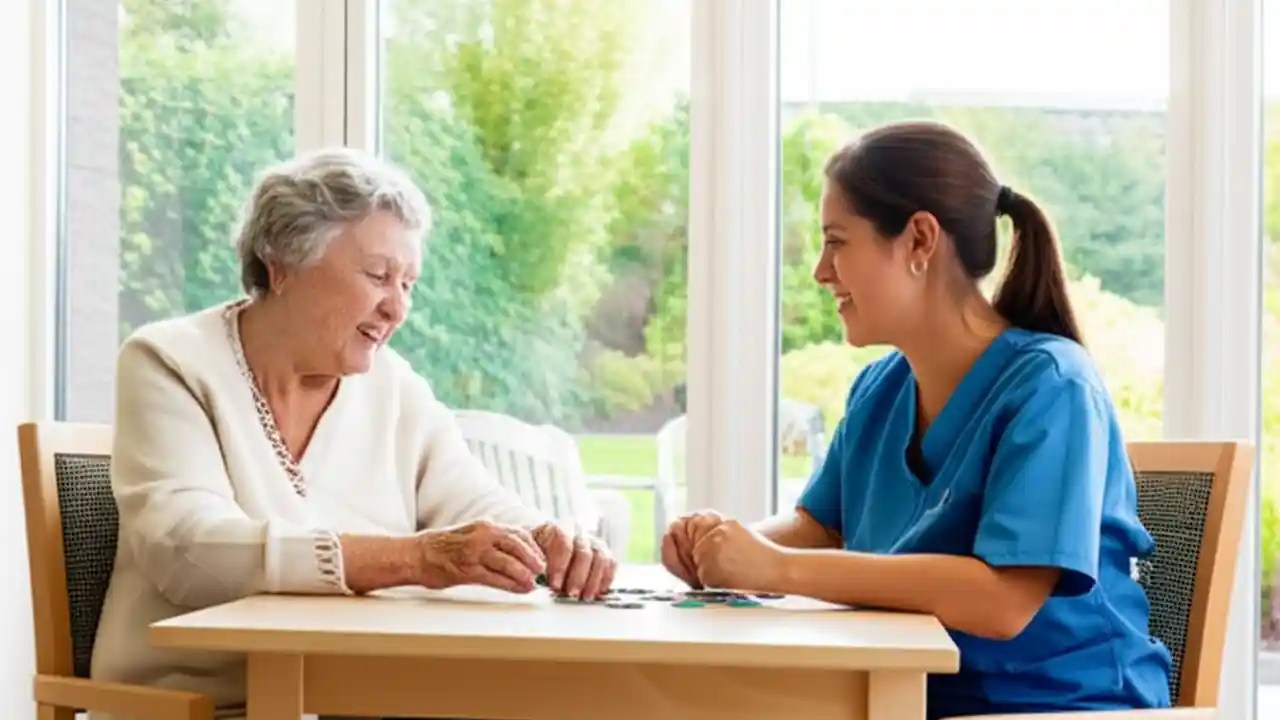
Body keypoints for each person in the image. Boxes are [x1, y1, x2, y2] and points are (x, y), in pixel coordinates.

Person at [661, 120, 1172, 718]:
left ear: (919, 241)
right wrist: (721, 547)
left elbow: (1003, 603)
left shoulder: (1053, 387)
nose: (822, 271)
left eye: (837, 241)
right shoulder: (880, 389)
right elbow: (819, 528)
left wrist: (777, 568)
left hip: (1057, 706)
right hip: (903, 693)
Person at [91, 148, 616, 720]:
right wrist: (414, 559)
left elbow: (467, 499)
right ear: (282, 264)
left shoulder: (393, 386)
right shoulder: (170, 361)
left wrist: (545, 538)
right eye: (378, 276)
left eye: (409, 284)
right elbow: (186, 550)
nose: (397, 307)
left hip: (354, 693)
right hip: (208, 700)